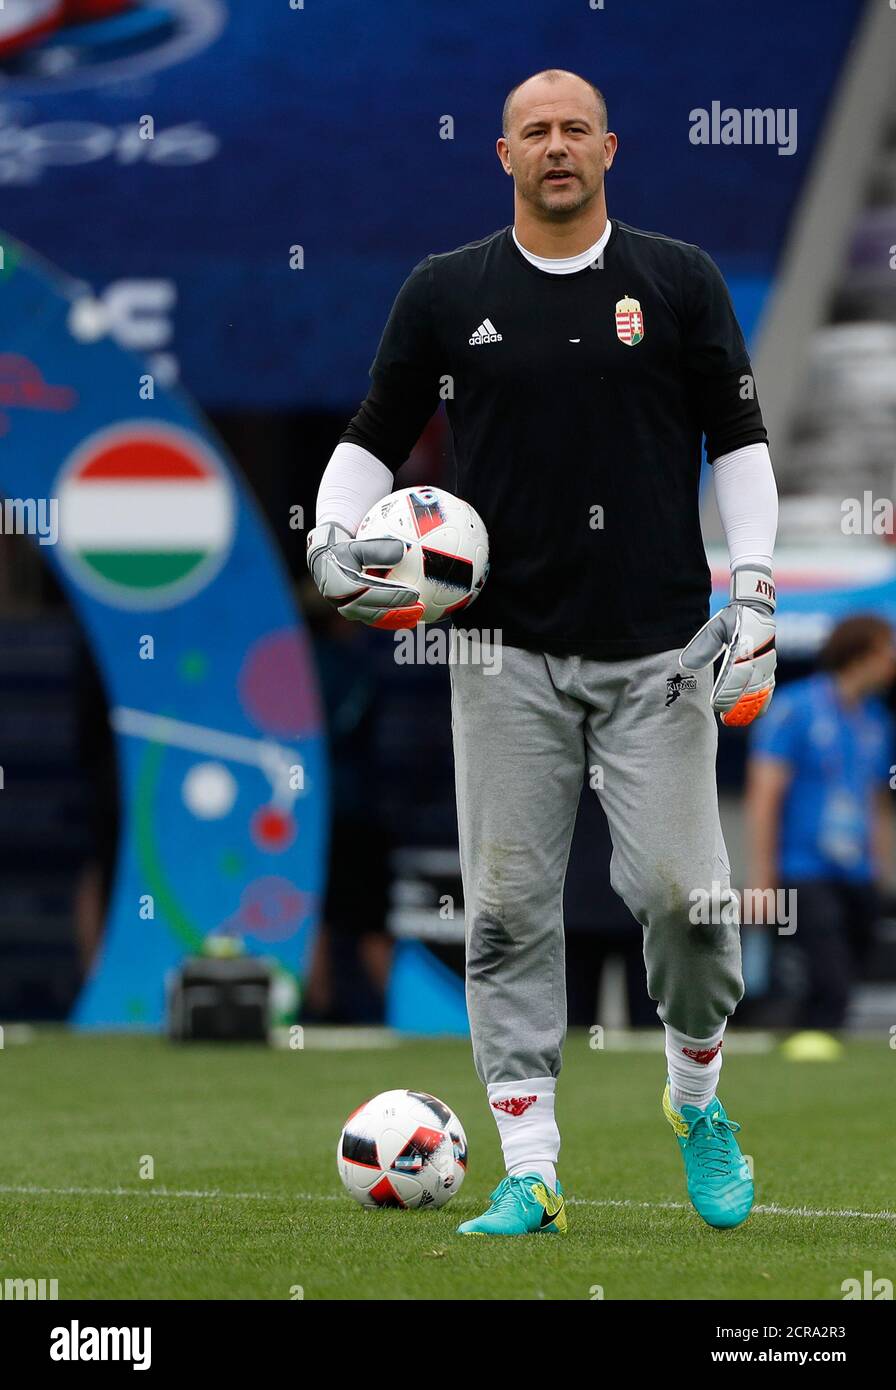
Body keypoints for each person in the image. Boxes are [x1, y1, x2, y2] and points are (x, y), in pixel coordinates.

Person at [307, 69, 778, 1234]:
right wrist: (327, 538)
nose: (555, 146)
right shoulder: (443, 290)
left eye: (574, 130)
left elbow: (741, 442)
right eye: (534, 133)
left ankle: (694, 1103)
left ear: (609, 148)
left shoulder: (674, 282)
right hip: (500, 652)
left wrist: (755, 593)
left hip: (660, 648)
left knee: (688, 905)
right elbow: (371, 436)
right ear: (502, 156)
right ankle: (530, 1169)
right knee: (508, 912)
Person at [746, 615, 896, 1032]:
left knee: (852, 964)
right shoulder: (796, 707)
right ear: (862, 653)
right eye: (887, 651)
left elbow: (874, 798)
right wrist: (762, 878)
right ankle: (811, 1040)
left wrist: (879, 867)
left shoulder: (875, 720)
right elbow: (765, 794)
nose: (892, 663)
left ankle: (816, 1038)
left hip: (857, 871)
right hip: (803, 867)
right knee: (827, 971)